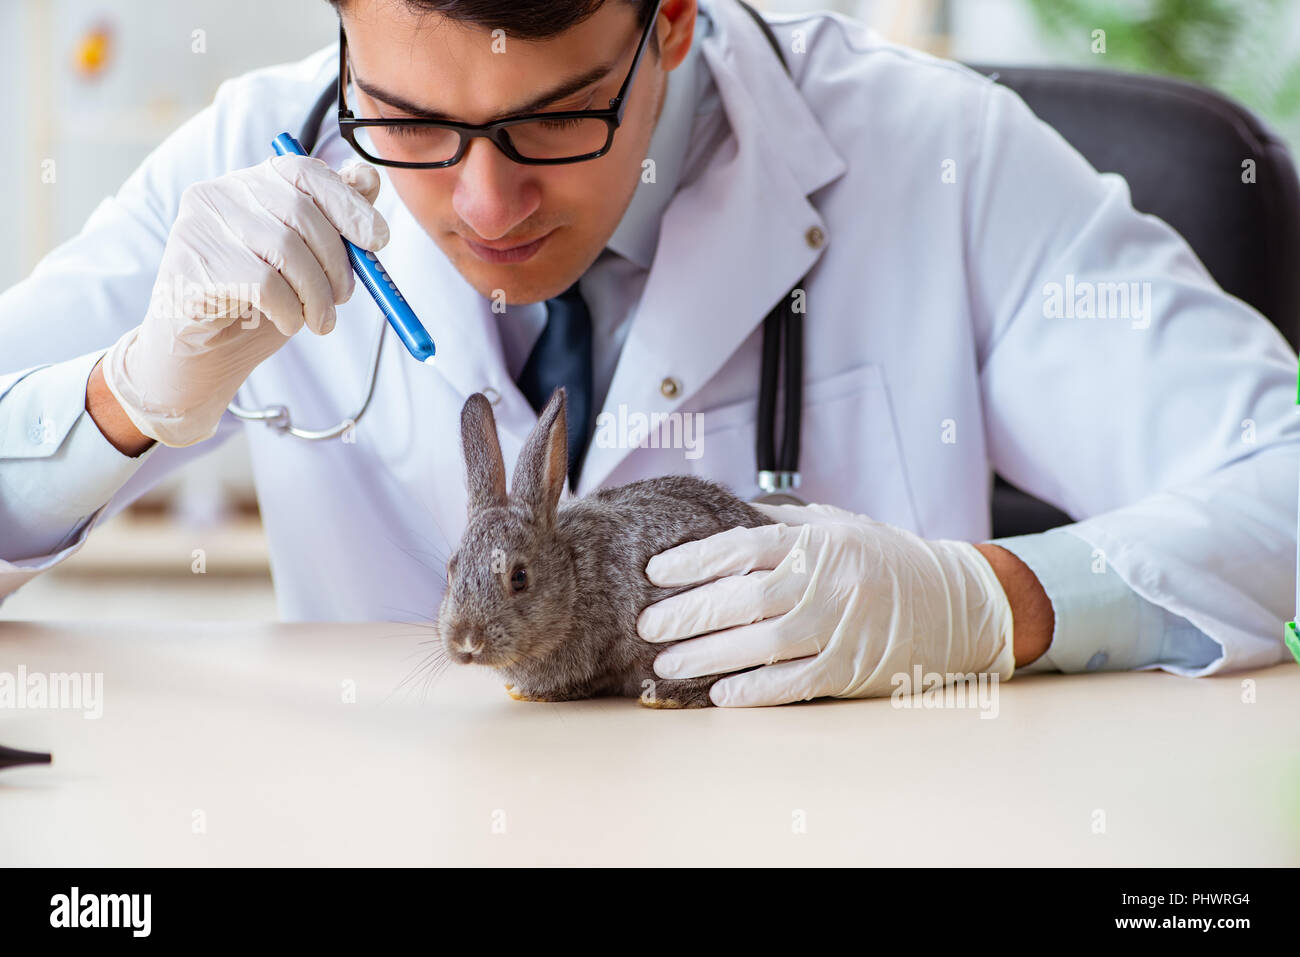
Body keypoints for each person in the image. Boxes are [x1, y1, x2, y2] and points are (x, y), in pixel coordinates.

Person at [0, 0, 1293, 707]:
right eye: (408, 118)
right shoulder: (252, 165)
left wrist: (984, 605)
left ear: (671, 20)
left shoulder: (938, 157)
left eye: (554, 118)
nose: (485, 204)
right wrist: (125, 397)